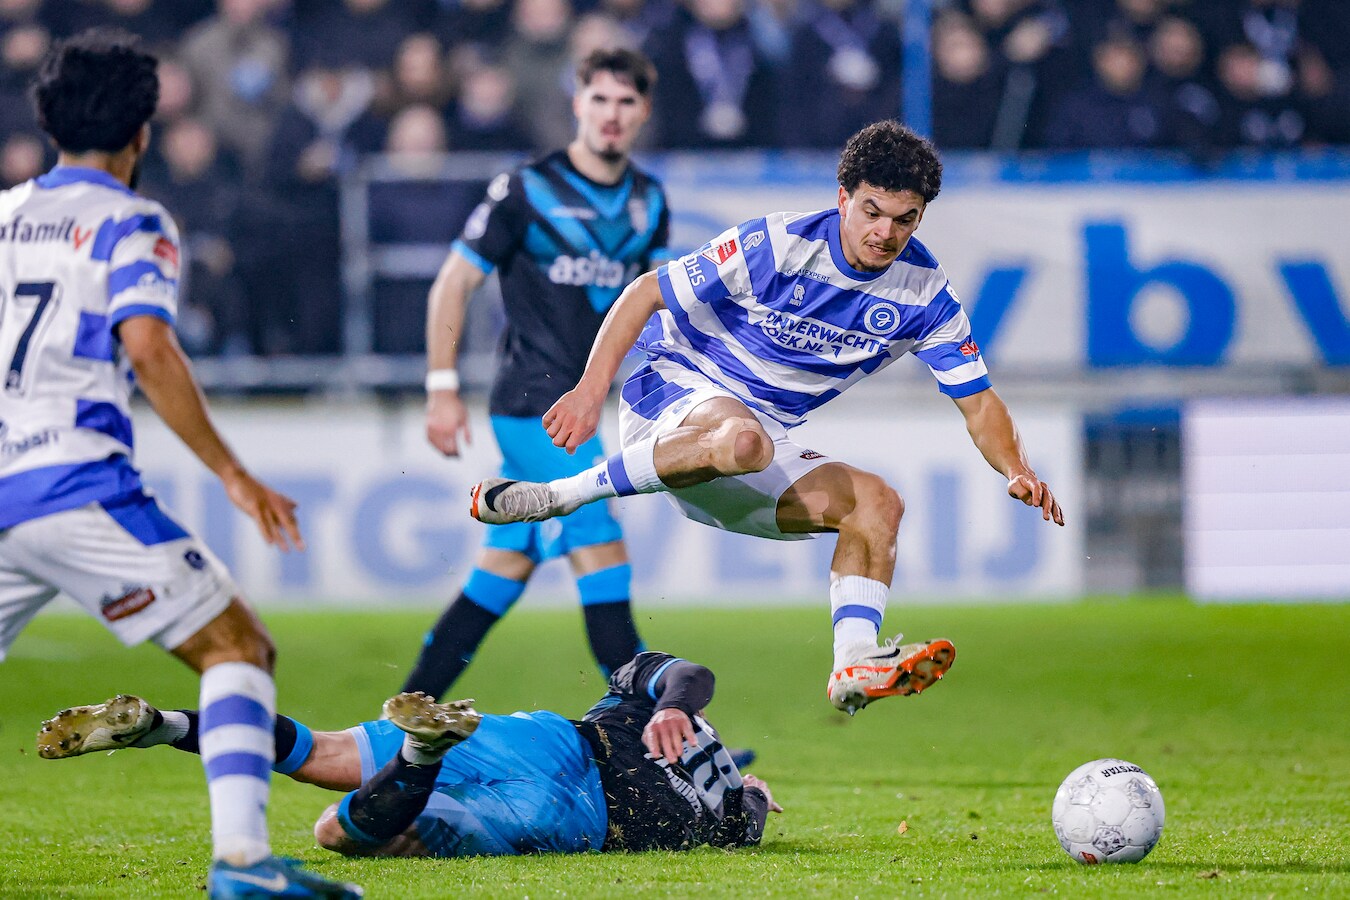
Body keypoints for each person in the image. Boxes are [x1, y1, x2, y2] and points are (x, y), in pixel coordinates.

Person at [471, 120, 1066, 715]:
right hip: (674, 395)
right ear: (843, 198)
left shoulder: (925, 296)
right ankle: (558, 496)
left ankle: (854, 663)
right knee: (743, 439)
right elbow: (646, 292)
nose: (886, 233)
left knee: (877, 504)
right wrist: (588, 389)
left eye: (904, 220)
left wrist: (1015, 468)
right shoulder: (777, 245)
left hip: (751, 445)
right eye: (872, 211)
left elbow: (980, 402)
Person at [0, 30, 359, 899]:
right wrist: (234, 473)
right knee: (237, 646)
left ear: (47, 121)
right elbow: (150, 346)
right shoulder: (134, 222)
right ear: (144, 133)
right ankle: (243, 863)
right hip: (73, 482)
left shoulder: (5, 214)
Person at [408, 48, 670, 699]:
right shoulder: (524, 190)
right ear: (577, 103)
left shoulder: (649, 201)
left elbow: (656, 312)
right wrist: (441, 389)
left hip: (581, 407)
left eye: (626, 102)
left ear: (643, 113)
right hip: (532, 407)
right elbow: (453, 283)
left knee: (505, 566)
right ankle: (657, 729)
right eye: (600, 100)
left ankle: (402, 713)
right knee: (603, 550)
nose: (612, 115)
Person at [37, 651, 781, 857]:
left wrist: (676, 704)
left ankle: (166, 724)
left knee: (323, 750)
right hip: (577, 812)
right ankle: (424, 754)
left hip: (551, 738)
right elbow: (748, 810)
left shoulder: (667, 700)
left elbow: (690, 674)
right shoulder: (728, 815)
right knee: (340, 831)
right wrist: (754, 794)